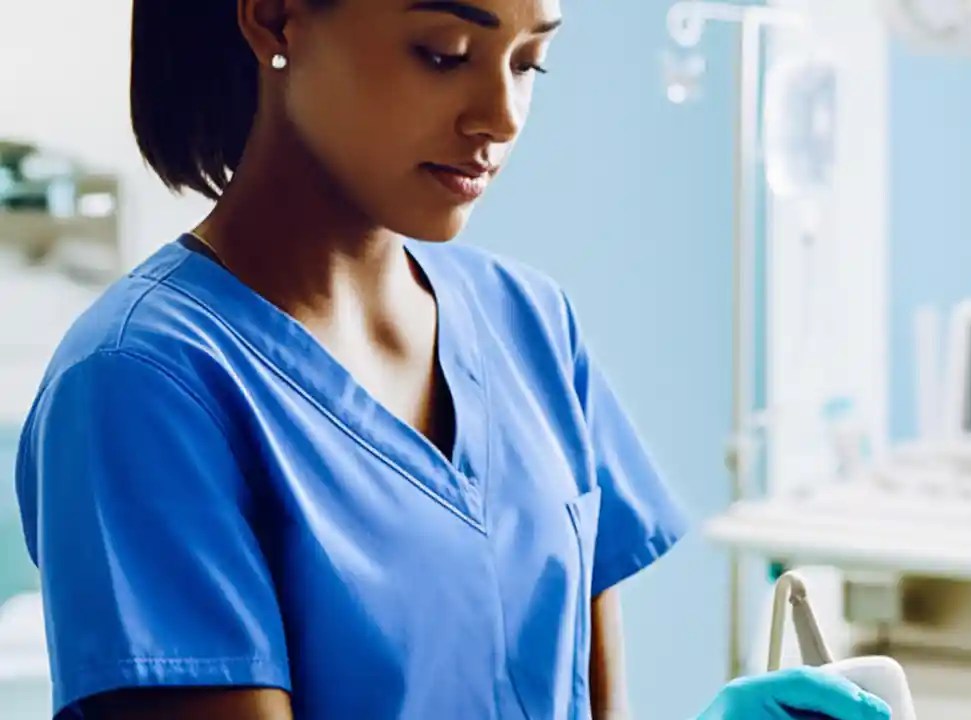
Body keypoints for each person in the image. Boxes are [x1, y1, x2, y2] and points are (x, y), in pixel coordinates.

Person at [14, 1, 892, 718]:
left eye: (529, 63)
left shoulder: (530, 323)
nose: (500, 118)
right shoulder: (142, 385)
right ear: (277, 19)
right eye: (446, 53)